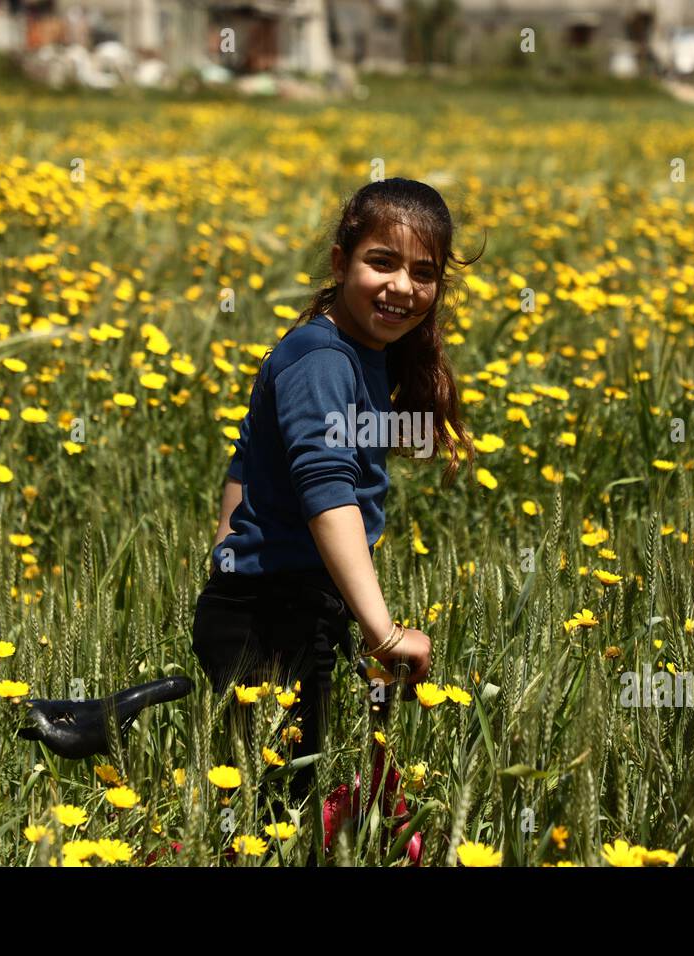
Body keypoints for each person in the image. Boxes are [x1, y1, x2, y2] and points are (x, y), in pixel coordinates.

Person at [191, 177, 482, 853]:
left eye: (424, 273)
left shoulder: (352, 354)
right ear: (339, 262)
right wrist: (383, 635)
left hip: (276, 605)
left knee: (278, 809)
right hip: (270, 616)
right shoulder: (322, 359)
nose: (403, 287)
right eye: (382, 262)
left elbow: (245, 461)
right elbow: (327, 491)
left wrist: (229, 557)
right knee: (276, 822)